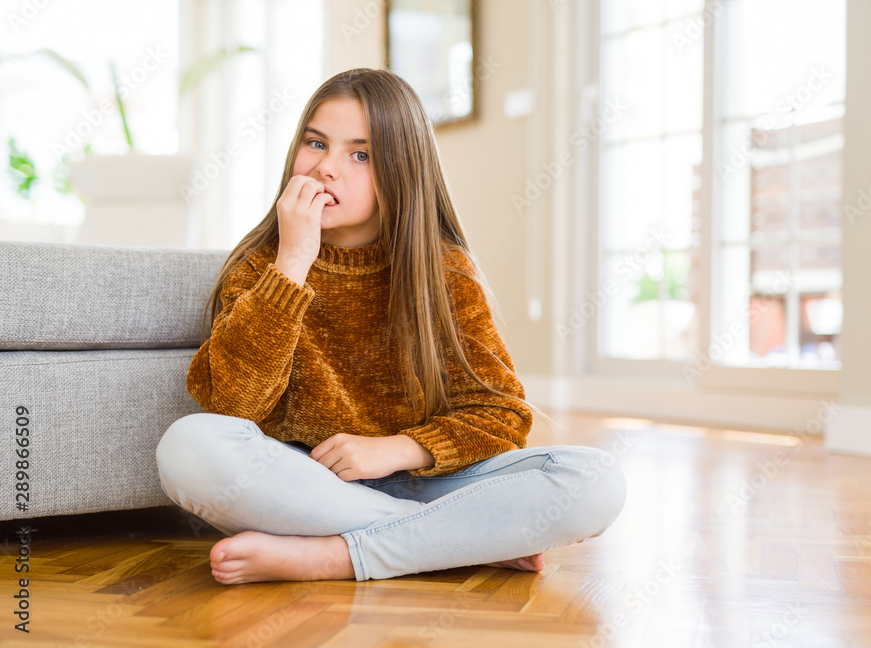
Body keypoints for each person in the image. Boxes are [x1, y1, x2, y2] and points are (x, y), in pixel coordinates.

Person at [155, 67, 627, 584]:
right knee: (188, 446)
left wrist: (399, 448)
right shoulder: (261, 267)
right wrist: (291, 264)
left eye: (360, 154)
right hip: (310, 488)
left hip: (430, 481)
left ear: (401, 170)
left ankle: (335, 557)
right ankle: (454, 541)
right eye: (316, 143)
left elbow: (500, 415)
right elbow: (232, 404)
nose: (326, 169)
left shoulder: (442, 270)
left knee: (596, 480)